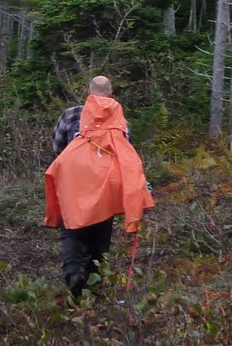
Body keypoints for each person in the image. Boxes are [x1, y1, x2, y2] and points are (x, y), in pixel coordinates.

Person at [44, 76, 154, 300]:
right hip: (106, 186)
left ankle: (75, 273)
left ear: (89, 91)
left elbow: (57, 148)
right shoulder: (121, 124)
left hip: (74, 183)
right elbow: (124, 156)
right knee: (101, 233)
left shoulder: (70, 114)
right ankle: (94, 286)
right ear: (111, 92)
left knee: (72, 230)